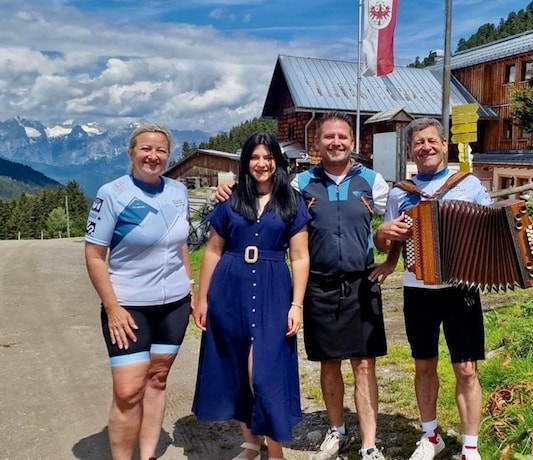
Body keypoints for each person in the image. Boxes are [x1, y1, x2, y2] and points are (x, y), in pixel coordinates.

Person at [216, 112, 392, 460]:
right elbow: (263, 205)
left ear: (353, 143)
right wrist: (229, 190)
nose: (336, 142)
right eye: (329, 137)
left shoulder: (374, 181)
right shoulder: (300, 185)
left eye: (342, 137)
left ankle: (369, 444)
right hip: (319, 286)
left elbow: (394, 227)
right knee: (328, 363)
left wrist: (391, 260)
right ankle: (337, 429)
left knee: (364, 364)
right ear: (318, 143)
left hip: (361, 283)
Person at [374, 118, 533, 460]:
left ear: (443, 145)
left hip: (461, 288)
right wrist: (384, 239)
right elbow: (385, 242)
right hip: (418, 290)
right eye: (418, 143)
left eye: (430, 141)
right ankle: (431, 437)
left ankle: (470, 447)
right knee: (424, 365)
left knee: (466, 368)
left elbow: (500, 225)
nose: (424, 147)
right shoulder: (400, 193)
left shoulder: (468, 186)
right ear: (410, 150)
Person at [192, 133, 311, 460]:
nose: (262, 164)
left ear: (277, 161)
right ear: (245, 162)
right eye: (255, 157)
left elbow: (300, 257)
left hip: (274, 290)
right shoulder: (229, 200)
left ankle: (276, 451)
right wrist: (202, 299)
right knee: (238, 371)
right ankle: (250, 444)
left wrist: (296, 305)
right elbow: (213, 252)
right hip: (230, 288)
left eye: (268, 157)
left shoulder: (292, 201)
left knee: (265, 373)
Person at [84, 124, 193, 460]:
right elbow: (94, 255)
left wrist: (188, 285)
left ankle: (147, 455)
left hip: (174, 304)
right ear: (131, 153)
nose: (153, 156)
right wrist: (113, 308)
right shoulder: (112, 193)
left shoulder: (178, 191)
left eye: (161, 150)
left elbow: (182, 245)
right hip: (128, 306)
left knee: (157, 380)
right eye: (145, 149)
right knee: (129, 390)